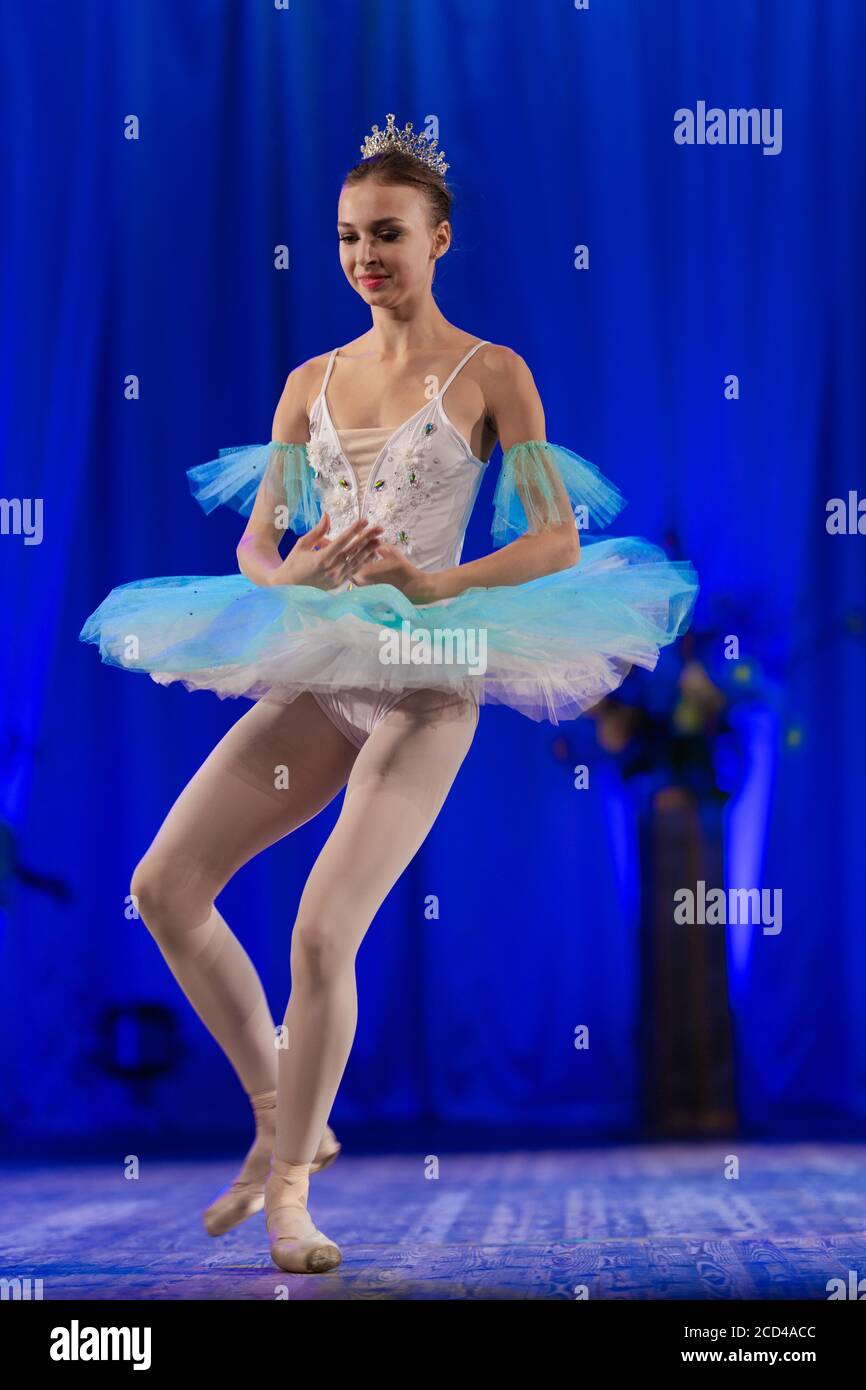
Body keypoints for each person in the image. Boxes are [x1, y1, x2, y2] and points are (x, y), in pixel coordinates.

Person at [79, 114, 699, 1275]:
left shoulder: (491, 373)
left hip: (425, 684)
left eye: (389, 235)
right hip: (323, 678)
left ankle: (292, 1199)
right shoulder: (308, 382)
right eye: (349, 238)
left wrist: (438, 579)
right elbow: (258, 548)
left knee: (322, 931)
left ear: (438, 239)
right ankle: (281, 1115)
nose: (366, 256)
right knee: (164, 885)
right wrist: (292, 572)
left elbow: (556, 540)